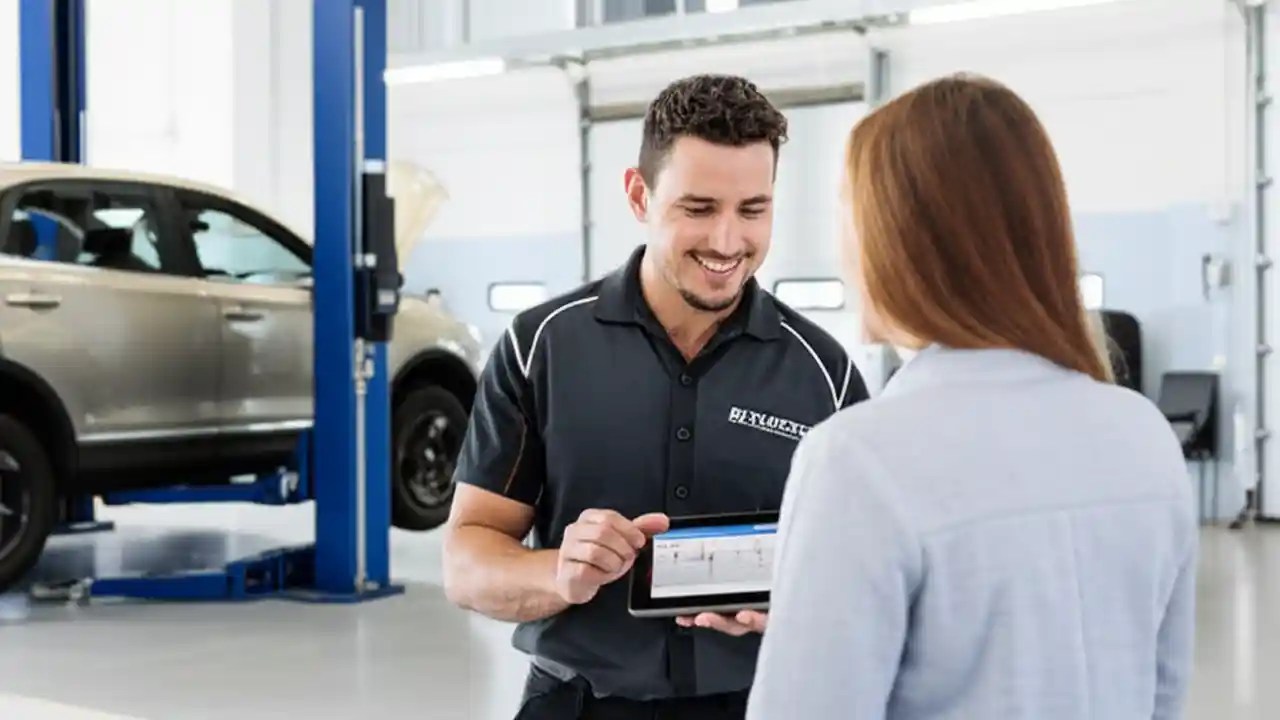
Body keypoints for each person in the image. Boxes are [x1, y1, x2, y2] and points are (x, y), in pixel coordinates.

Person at [747, 74, 1198, 719]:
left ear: (898, 237)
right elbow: (1161, 694)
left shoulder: (858, 457)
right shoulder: (1143, 433)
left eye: (848, 212)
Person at [443, 73, 869, 720]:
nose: (728, 242)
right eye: (698, 209)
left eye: (753, 209)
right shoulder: (542, 346)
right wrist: (559, 572)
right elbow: (468, 560)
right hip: (578, 703)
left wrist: (800, 602)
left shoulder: (825, 373)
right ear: (639, 195)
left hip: (762, 702)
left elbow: (864, 570)